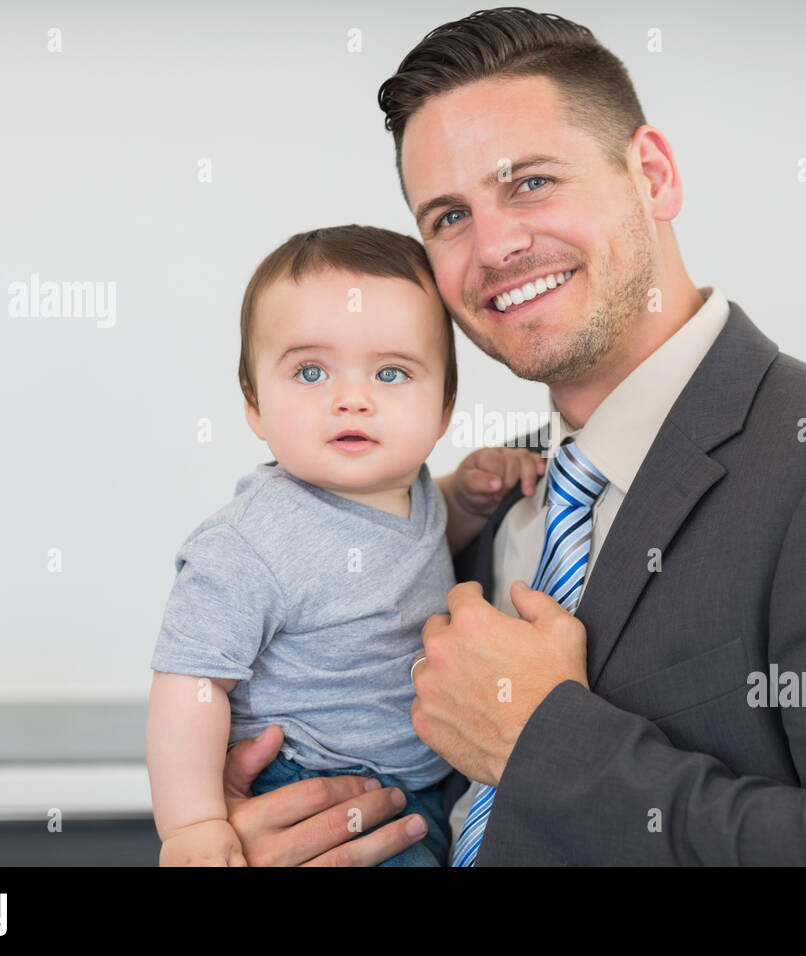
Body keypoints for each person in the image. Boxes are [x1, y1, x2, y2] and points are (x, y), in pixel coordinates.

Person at [224, 8, 806, 866]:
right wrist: (272, 821)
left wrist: (544, 743)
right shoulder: (484, 501)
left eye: (530, 182)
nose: (496, 244)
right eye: (449, 217)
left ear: (651, 175)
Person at [147, 224, 543, 866]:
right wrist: (191, 824)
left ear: (443, 409)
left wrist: (464, 503)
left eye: (391, 373)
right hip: (313, 784)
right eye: (310, 371)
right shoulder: (247, 543)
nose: (351, 399)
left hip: (428, 779)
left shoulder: (412, 490)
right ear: (254, 403)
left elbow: (405, 549)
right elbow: (189, 685)